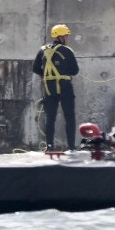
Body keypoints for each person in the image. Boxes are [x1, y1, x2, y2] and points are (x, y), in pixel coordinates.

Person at [32, 24, 80, 152]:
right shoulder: (67, 51)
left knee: (50, 117)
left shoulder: (42, 50)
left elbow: (35, 68)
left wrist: (47, 76)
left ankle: (49, 147)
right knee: (69, 117)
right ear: (60, 36)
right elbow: (75, 71)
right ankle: (71, 147)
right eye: (65, 35)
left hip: (49, 88)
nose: (67, 38)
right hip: (65, 87)